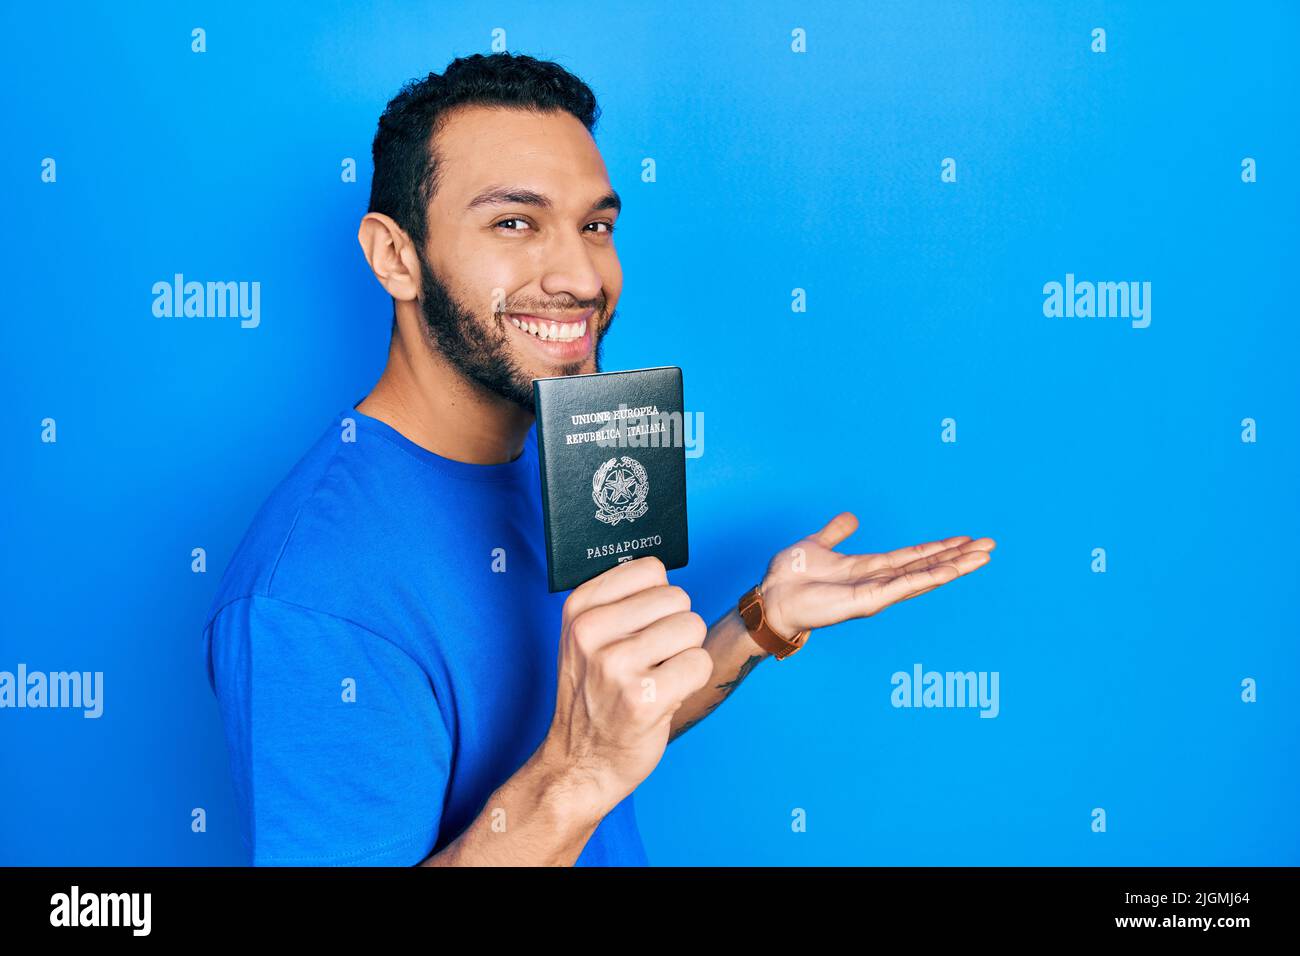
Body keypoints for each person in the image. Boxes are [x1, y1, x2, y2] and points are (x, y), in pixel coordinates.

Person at [201, 51, 997, 866]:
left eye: (596, 226)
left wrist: (758, 624)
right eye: (515, 222)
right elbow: (583, 760)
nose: (582, 276)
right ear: (395, 257)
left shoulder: (570, 454)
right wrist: (578, 772)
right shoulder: (312, 597)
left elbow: (609, 723)